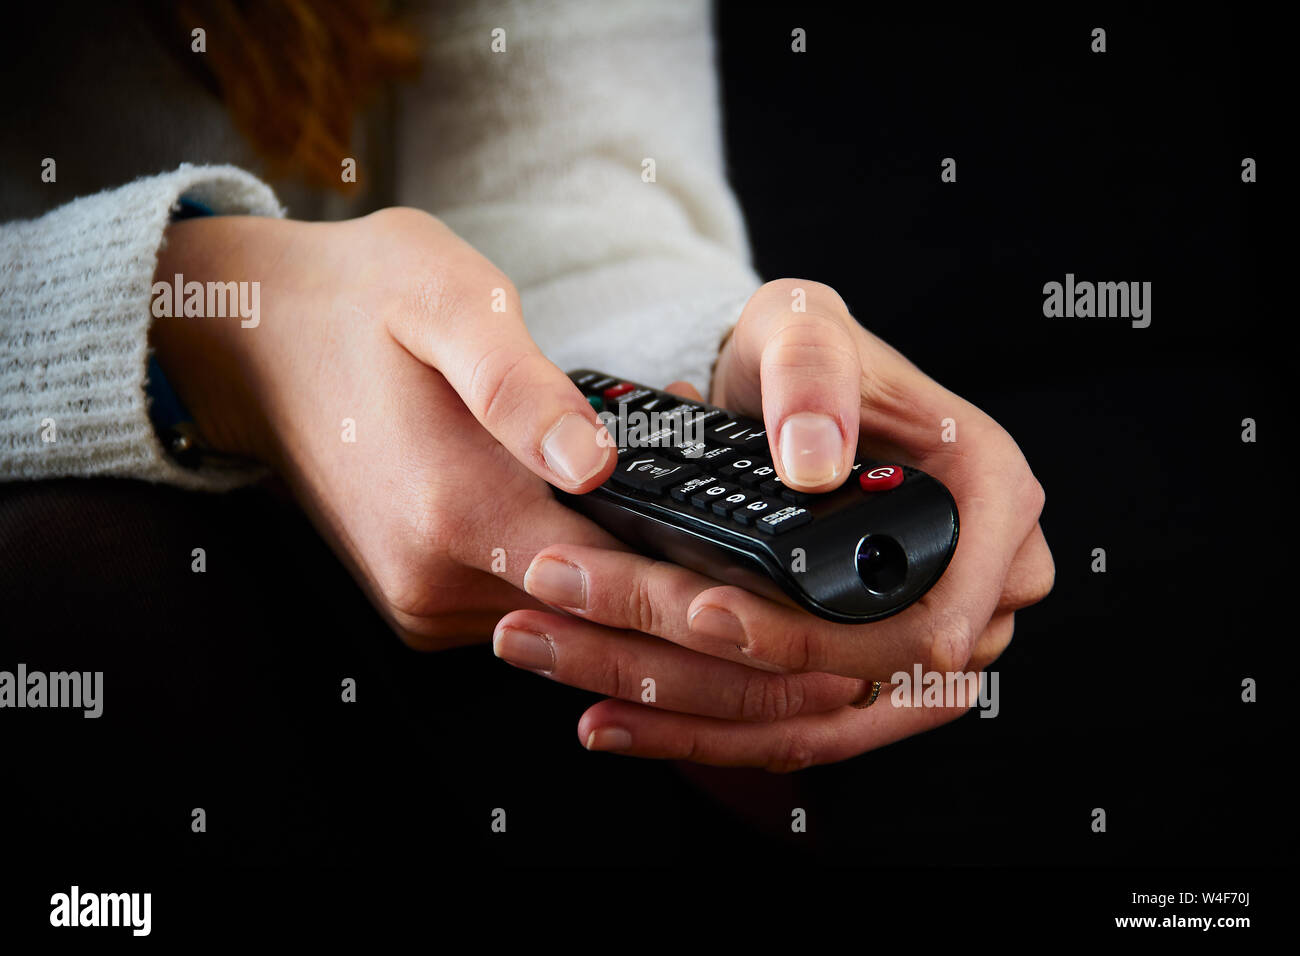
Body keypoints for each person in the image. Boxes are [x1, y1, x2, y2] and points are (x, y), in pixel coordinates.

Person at [0, 0, 1052, 772]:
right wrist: (213, 319)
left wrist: (726, 353)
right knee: (77, 586)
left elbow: (565, 212)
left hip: (457, 514)